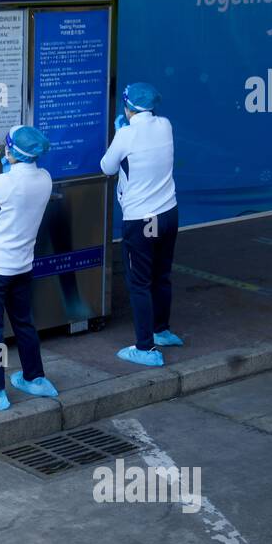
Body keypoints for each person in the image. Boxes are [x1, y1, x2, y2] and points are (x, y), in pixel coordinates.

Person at [0, 125, 59, 411]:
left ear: (13, 151)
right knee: (24, 322)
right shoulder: (44, 178)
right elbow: (13, 197)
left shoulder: (6, 183)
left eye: (8, 146)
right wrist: (6, 170)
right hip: (21, 267)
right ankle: (35, 377)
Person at [100, 82, 182, 368]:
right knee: (162, 275)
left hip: (142, 219)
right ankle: (163, 330)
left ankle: (145, 347)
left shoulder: (126, 134)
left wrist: (119, 133)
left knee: (139, 283)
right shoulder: (166, 125)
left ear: (128, 107)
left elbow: (107, 168)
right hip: (168, 213)